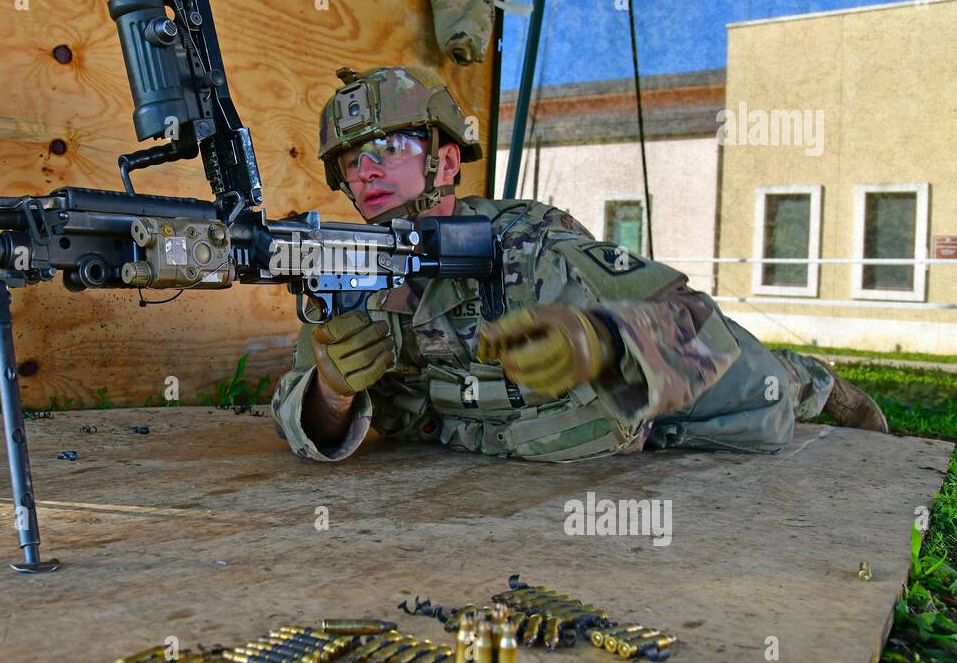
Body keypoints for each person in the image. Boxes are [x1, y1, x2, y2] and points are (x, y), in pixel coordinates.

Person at [270, 66, 887, 462]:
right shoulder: (349, 274)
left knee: (761, 408)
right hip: (546, 446)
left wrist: (600, 340)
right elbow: (299, 411)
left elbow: (694, 327)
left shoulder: (532, 244)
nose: (367, 170)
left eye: (388, 148)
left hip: (658, 402)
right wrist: (330, 393)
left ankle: (815, 379)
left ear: (447, 162)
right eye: (352, 161)